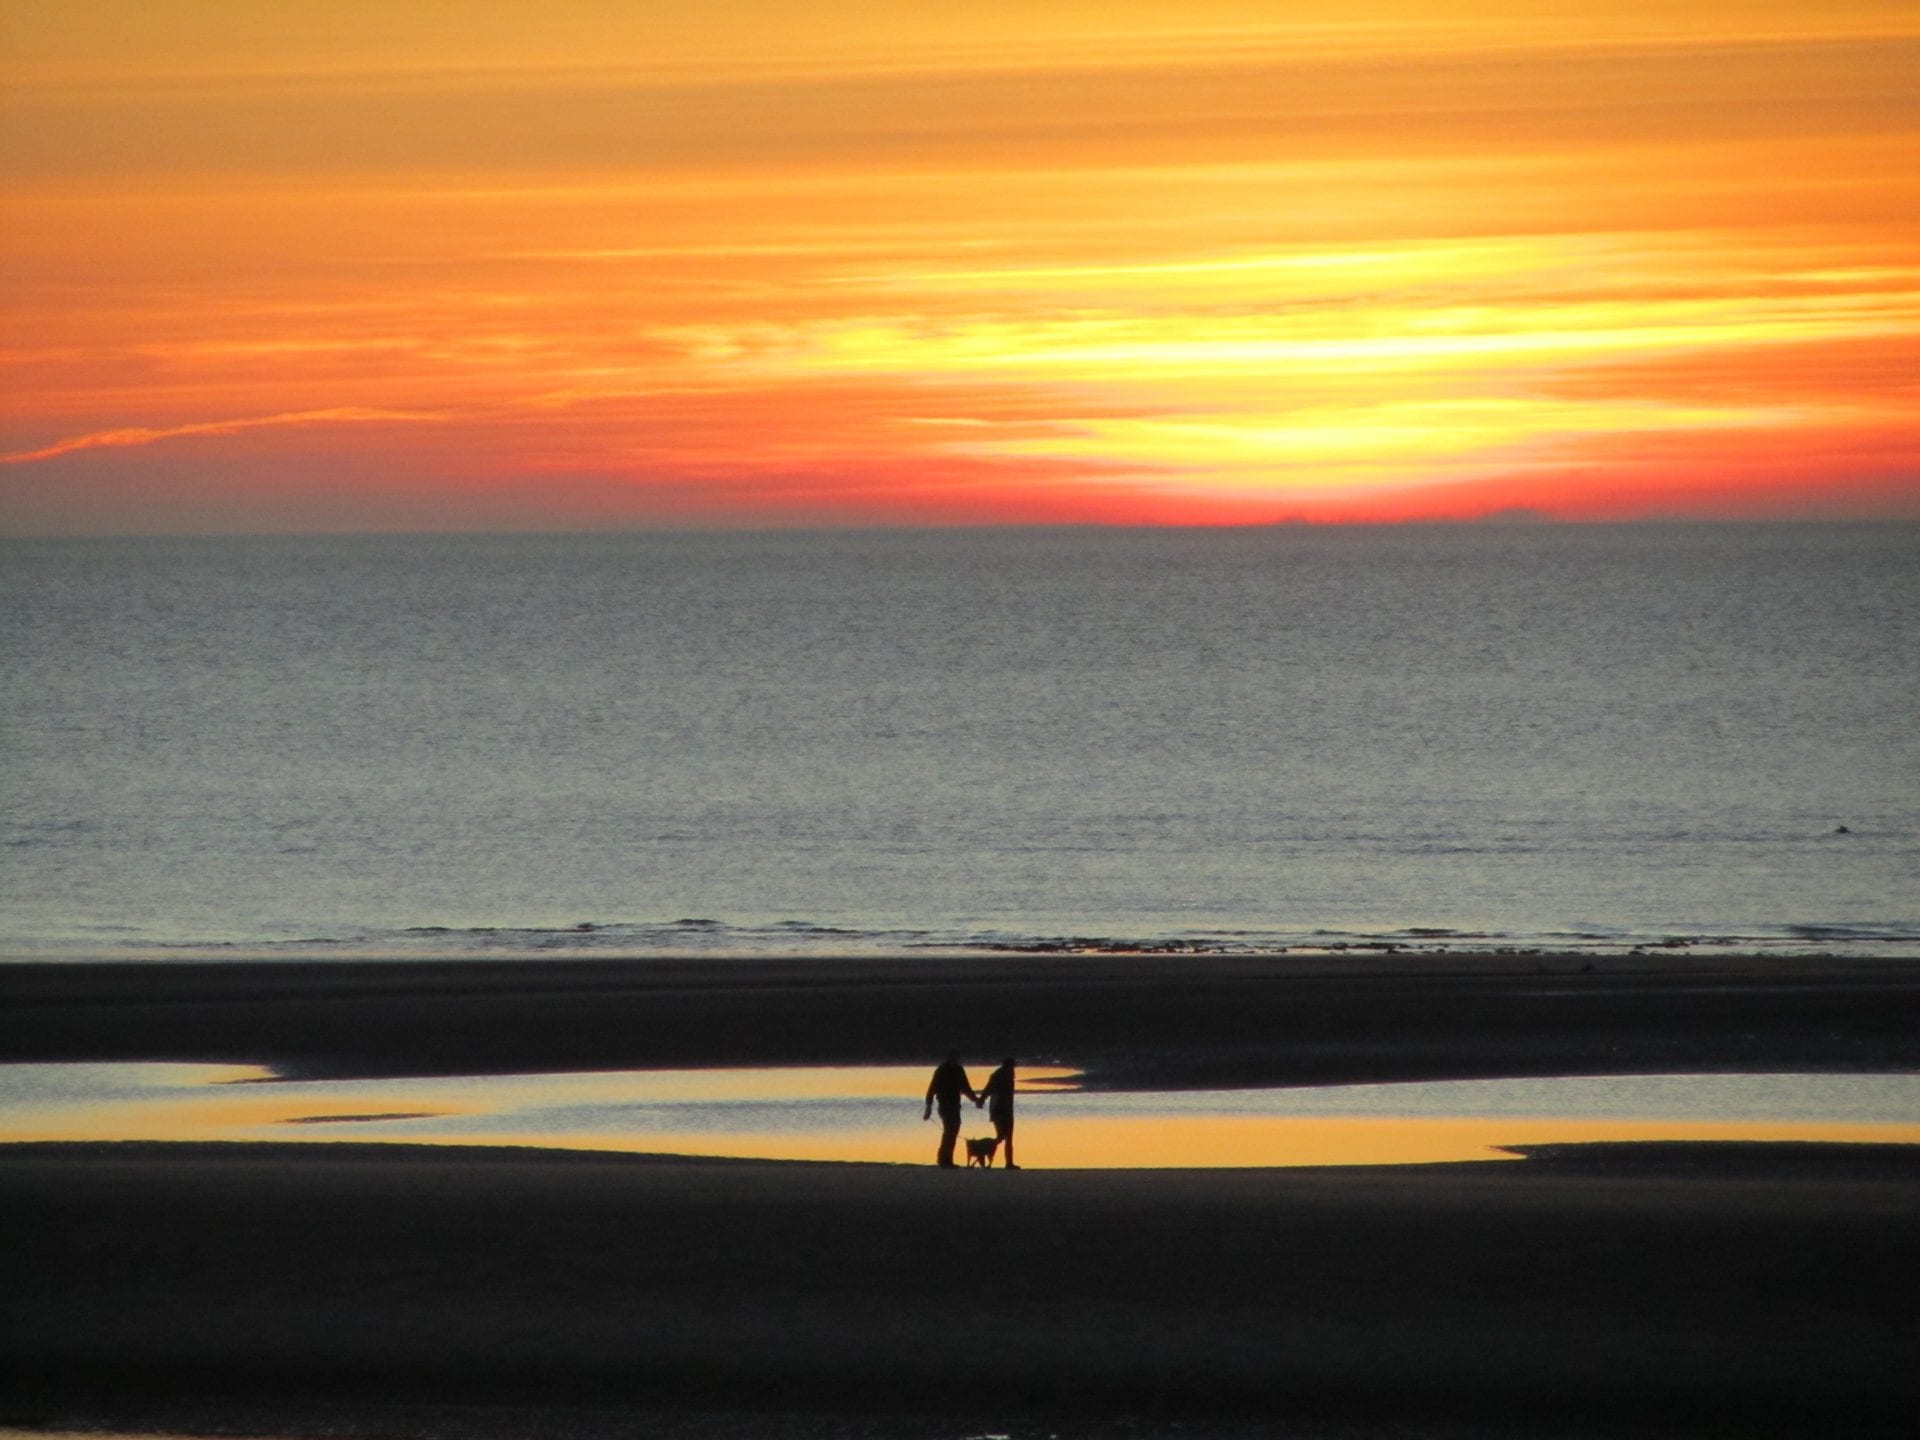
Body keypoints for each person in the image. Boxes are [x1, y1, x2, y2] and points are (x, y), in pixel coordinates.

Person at [922, 1051, 981, 1168]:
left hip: (955, 1105)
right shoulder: (941, 1070)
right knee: (950, 1130)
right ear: (949, 1059)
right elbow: (931, 1089)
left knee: (953, 1130)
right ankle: (944, 1159)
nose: (955, 1061)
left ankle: (945, 1159)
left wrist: (975, 1100)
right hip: (944, 1105)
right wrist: (928, 1108)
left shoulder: (959, 1070)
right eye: (953, 1058)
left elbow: (965, 1087)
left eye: (956, 1058)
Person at [980, 1057, 1019, 1169]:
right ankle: (982, 1149)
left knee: (1007, 1137)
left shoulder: (1007, 1074)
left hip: (1005, 1109)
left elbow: (988, 1089)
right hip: (999, 1109)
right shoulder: (999, 1074)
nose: (1013, 1068)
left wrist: (981, 1099)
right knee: (1003, 1136)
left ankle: (1009, 1162)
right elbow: (989, 1088)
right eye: (1012, 1065)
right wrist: (981, 1099)